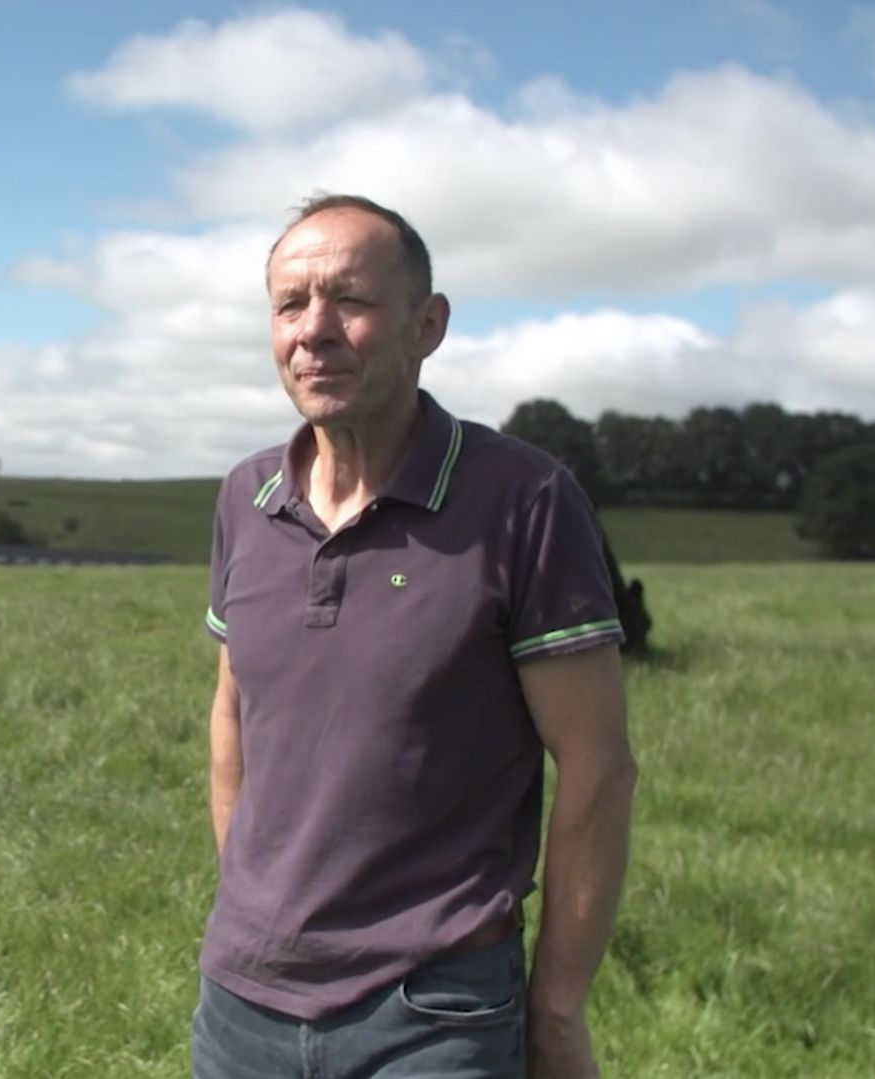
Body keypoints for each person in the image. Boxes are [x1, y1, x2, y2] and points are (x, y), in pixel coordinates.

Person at [193, 194, 637, 1079]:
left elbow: (597, 766)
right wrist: (256, 916)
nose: (313, 331)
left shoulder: (524, 500)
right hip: (241, 1011)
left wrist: (553, 1010)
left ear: (426, 326)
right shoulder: (247, 498)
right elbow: (233, 720)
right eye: (290, 304)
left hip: (433, 1013)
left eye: (349, 300)